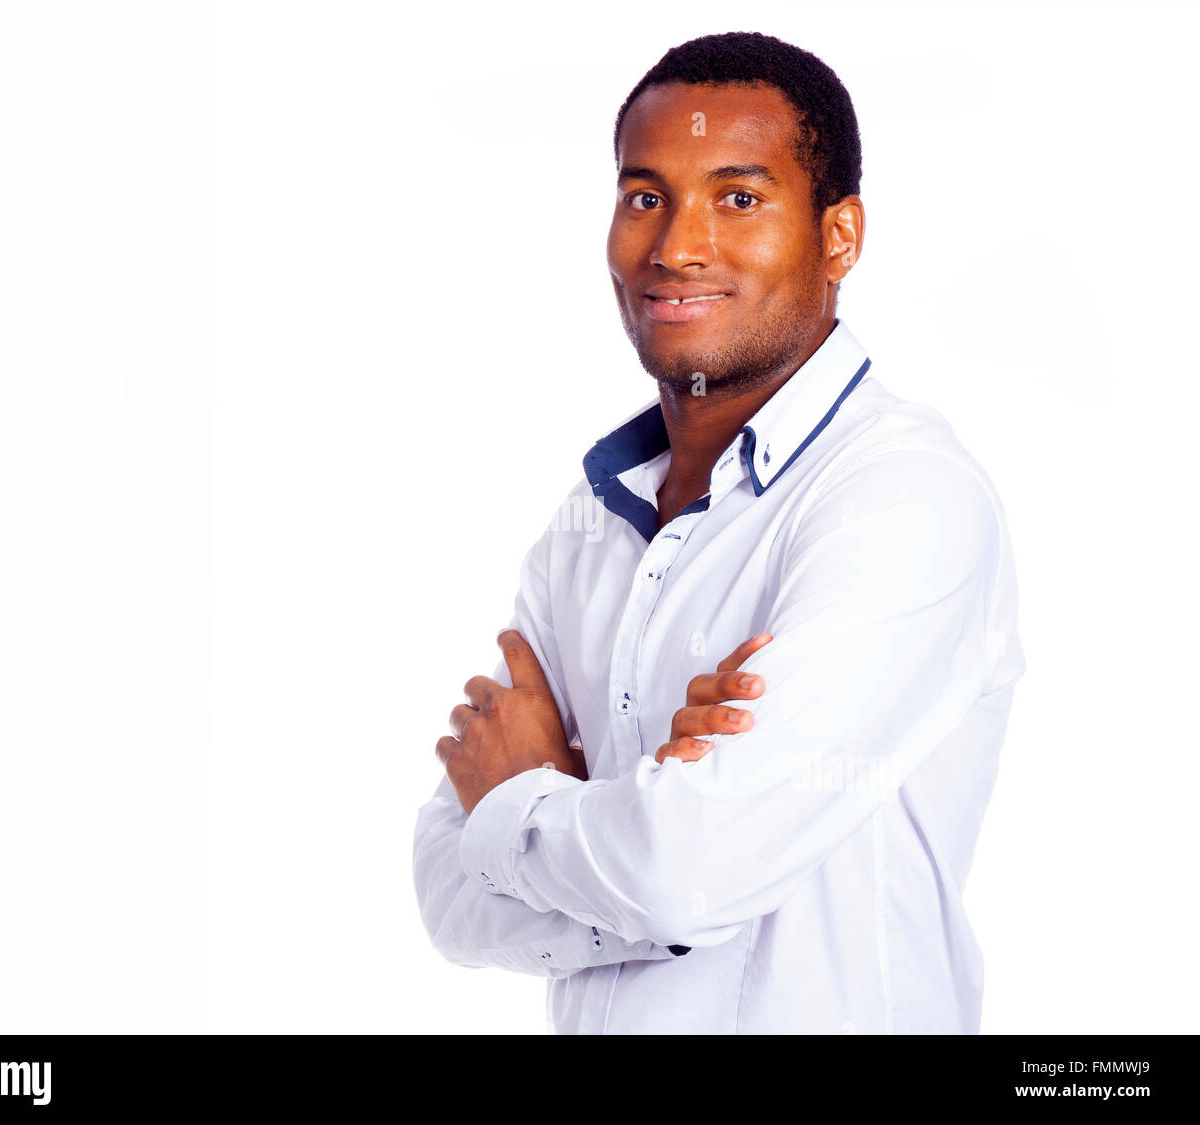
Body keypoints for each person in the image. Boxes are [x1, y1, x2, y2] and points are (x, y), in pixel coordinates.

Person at [412, 30, 1024, 1034]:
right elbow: (445, 891)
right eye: (645, 195)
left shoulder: (902, 499)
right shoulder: (585, 530)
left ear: (838, 236)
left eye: (738, 198)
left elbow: (681, 874)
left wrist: (527, 804)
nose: (676, 247)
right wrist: (629, 837)